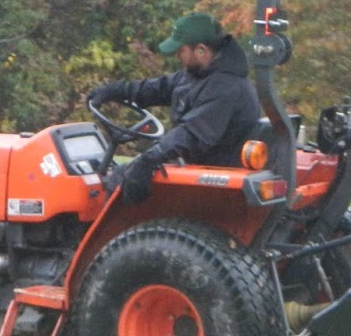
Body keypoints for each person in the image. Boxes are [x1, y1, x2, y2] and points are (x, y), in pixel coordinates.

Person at [88, 11, 261, 203]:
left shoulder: (226, 88)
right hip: (199, 163)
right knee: (126, 172)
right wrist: (115, 91)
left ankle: (122, 233)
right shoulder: (197, 75)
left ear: (201, 51)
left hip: (215, 173)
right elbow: (157, 89)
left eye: (181, 51)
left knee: (120, 181)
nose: (177, 55)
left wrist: (150, 159)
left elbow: (191, 133)